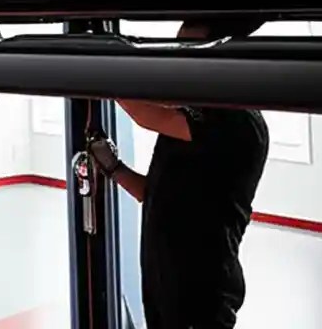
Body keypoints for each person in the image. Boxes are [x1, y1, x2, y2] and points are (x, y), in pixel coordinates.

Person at [88, 18, 270, 329]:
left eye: (190, 50)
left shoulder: (238, 121)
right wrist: (113, 167)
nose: (180, 59)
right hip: (165, 283)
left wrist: (93, 67)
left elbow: (145, 113)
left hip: (201, 289)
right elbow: (154, 192)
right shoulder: (192, 116)